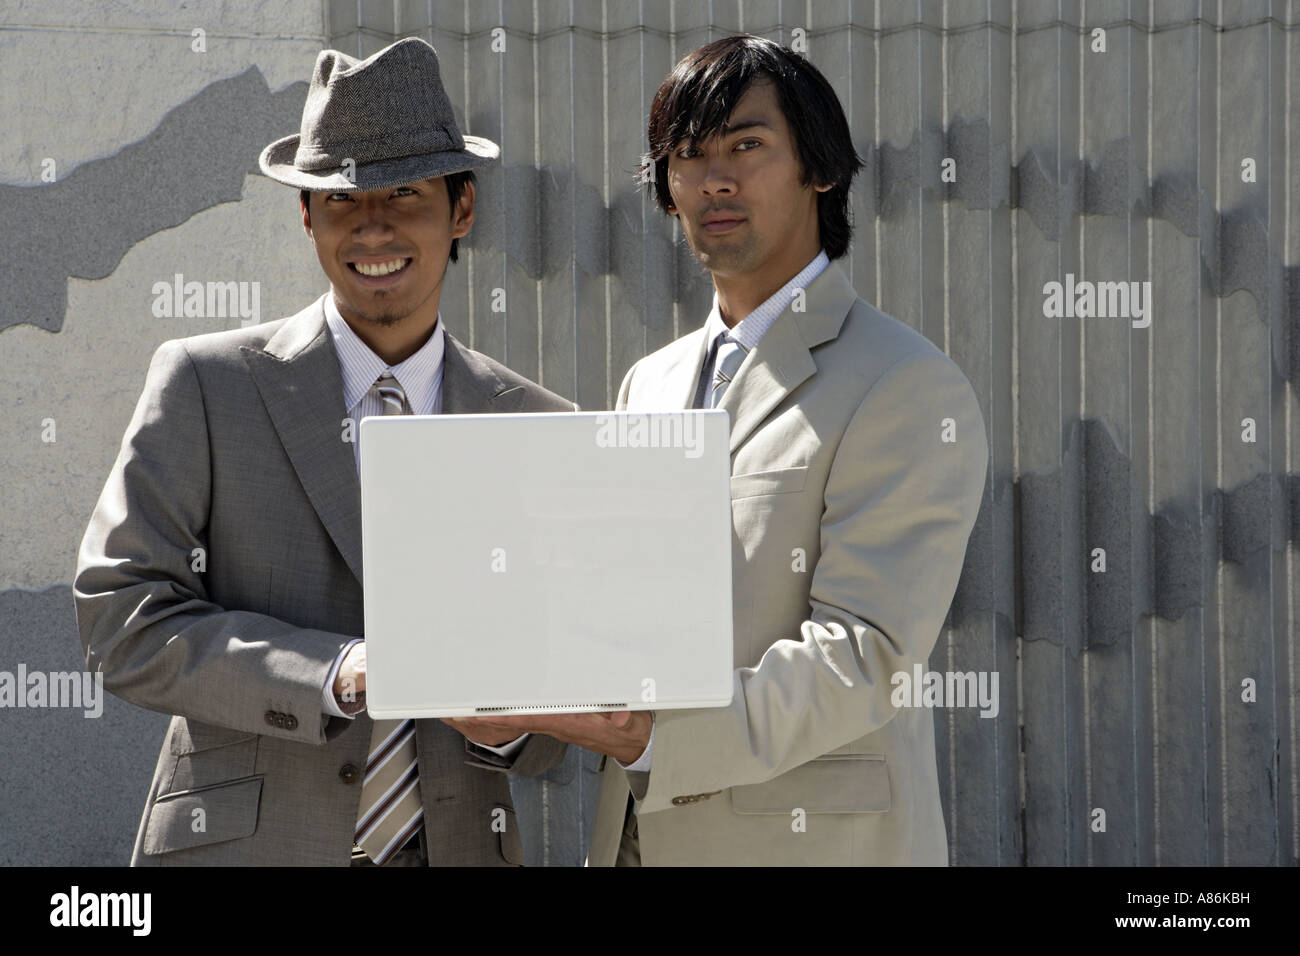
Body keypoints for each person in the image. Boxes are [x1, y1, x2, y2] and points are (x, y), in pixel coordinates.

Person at [463, 34, 988, 865]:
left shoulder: (904, 384)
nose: (714, 179)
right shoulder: (651, 384)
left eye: (747, 146)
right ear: (666, 190)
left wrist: (651, 738)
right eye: (687, 155)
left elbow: (866, 654)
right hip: (635, 839)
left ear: (820, 167)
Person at [73, 37, 574, 867]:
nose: (372, 225)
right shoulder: (206, 384)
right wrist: (338, 674)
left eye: (405, 193)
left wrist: (519, 719)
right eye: (342, 200)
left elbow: (556, 721)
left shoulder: (536, 423)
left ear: (463, 210)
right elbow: (122, 620)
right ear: (306, 217)